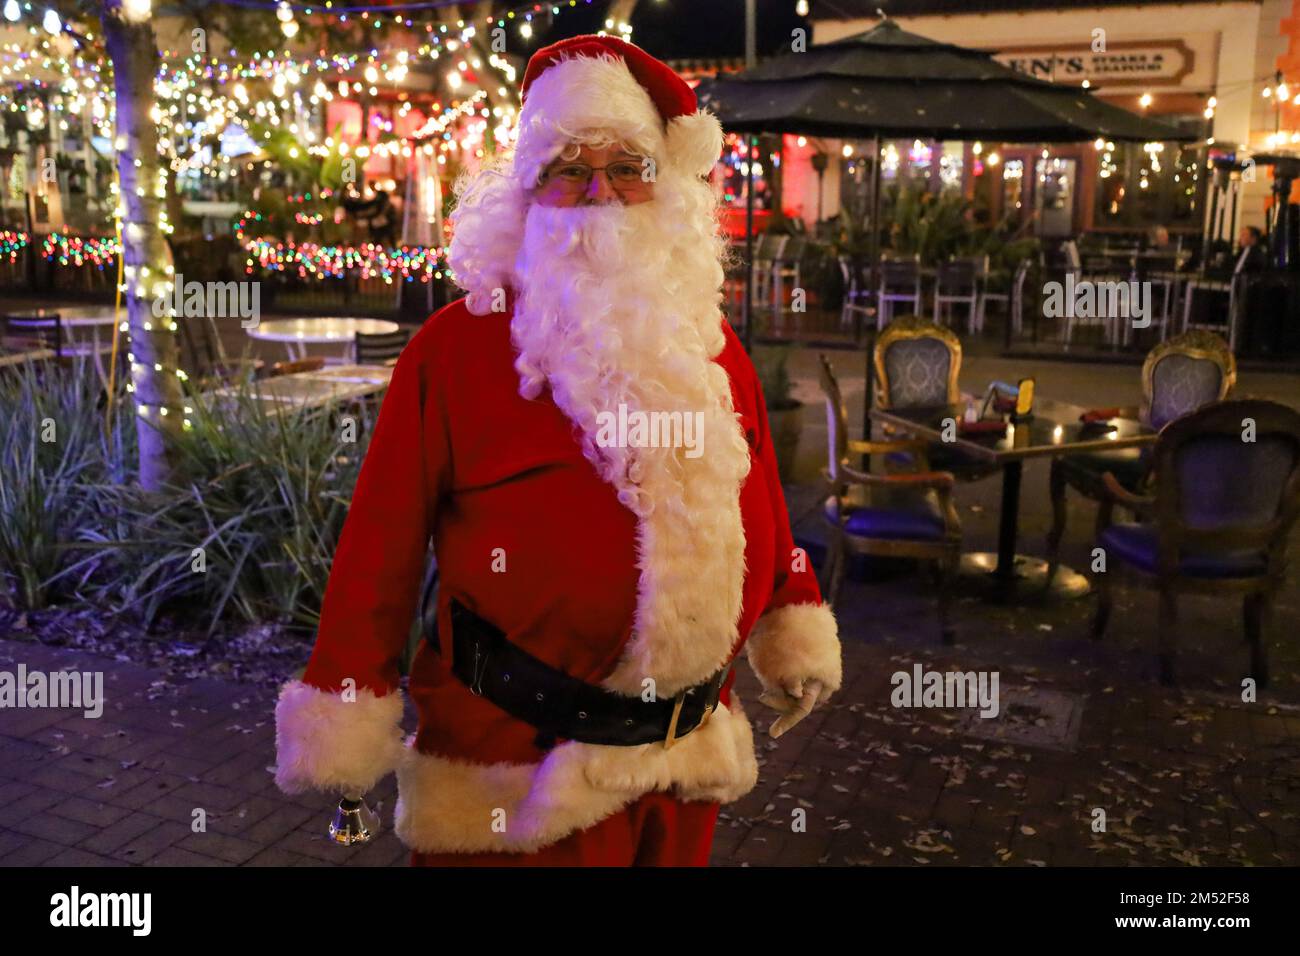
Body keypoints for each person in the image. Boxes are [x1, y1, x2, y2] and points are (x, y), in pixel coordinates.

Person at [273, 34, 842, 867]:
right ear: (527, 195)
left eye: (628, 167)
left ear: (667, 187)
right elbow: (381, 541)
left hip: (683, 763)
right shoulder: (455, 349)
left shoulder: (710, 342)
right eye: (569, 169)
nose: (600, 193)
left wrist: (789, 615)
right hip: (515, 775)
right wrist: (348, 699)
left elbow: (758, 497)